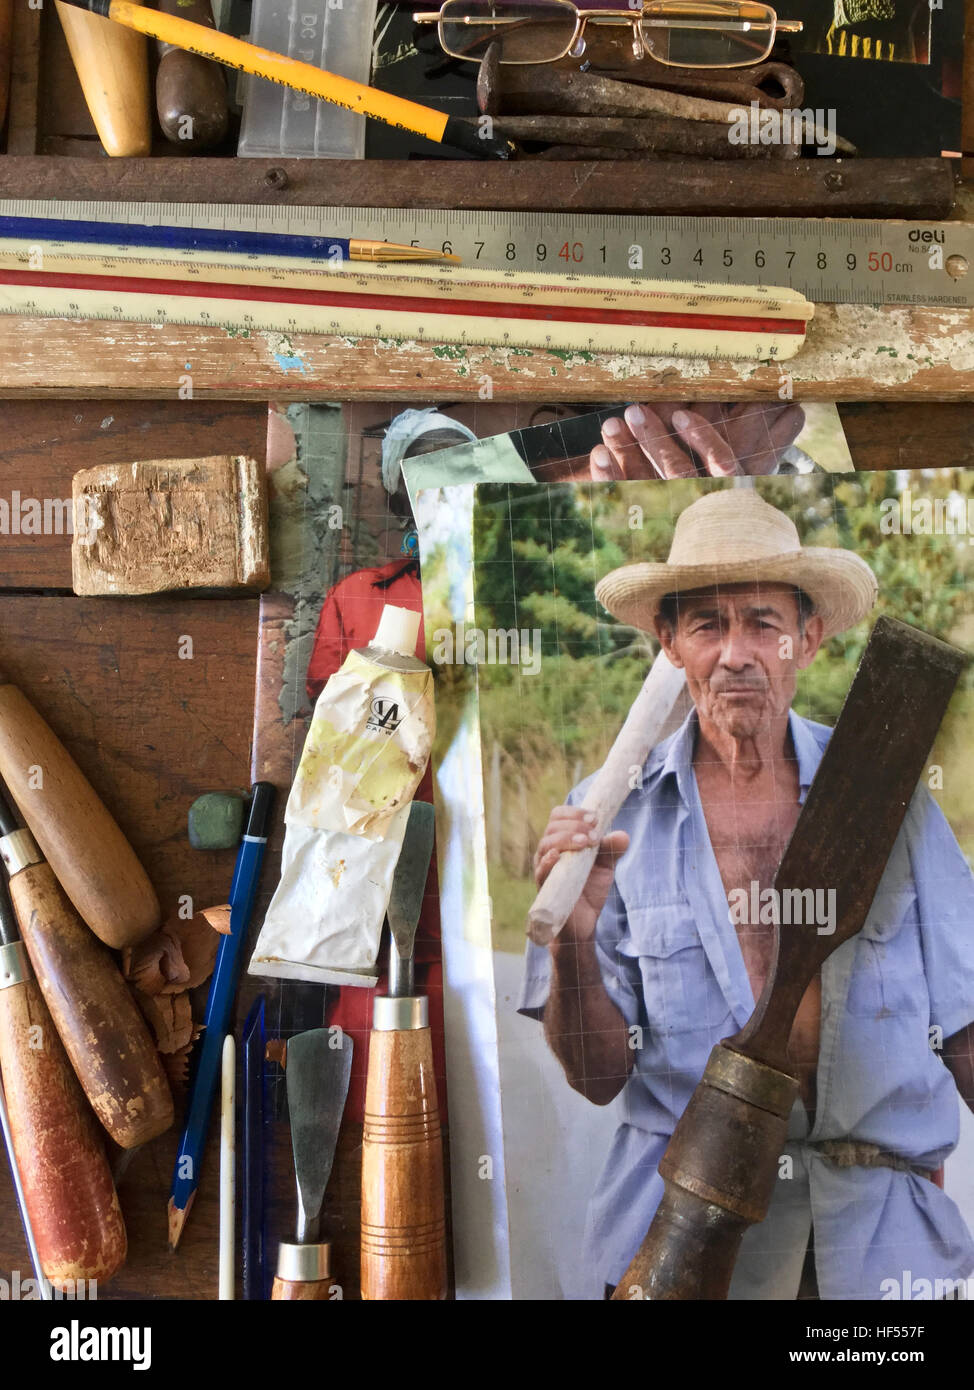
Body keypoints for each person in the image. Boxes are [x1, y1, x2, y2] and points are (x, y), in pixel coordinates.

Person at [519, 488, 974, 1300]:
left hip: (873, 1247)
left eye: (762, 622)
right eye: (706, 625)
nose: (736, 652)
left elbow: (969, 1028)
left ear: (809, 636)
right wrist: (573, 940)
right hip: (673, 1238)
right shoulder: (606, 816)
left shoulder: (886, 792)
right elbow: (596, 1079)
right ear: (669, 644)